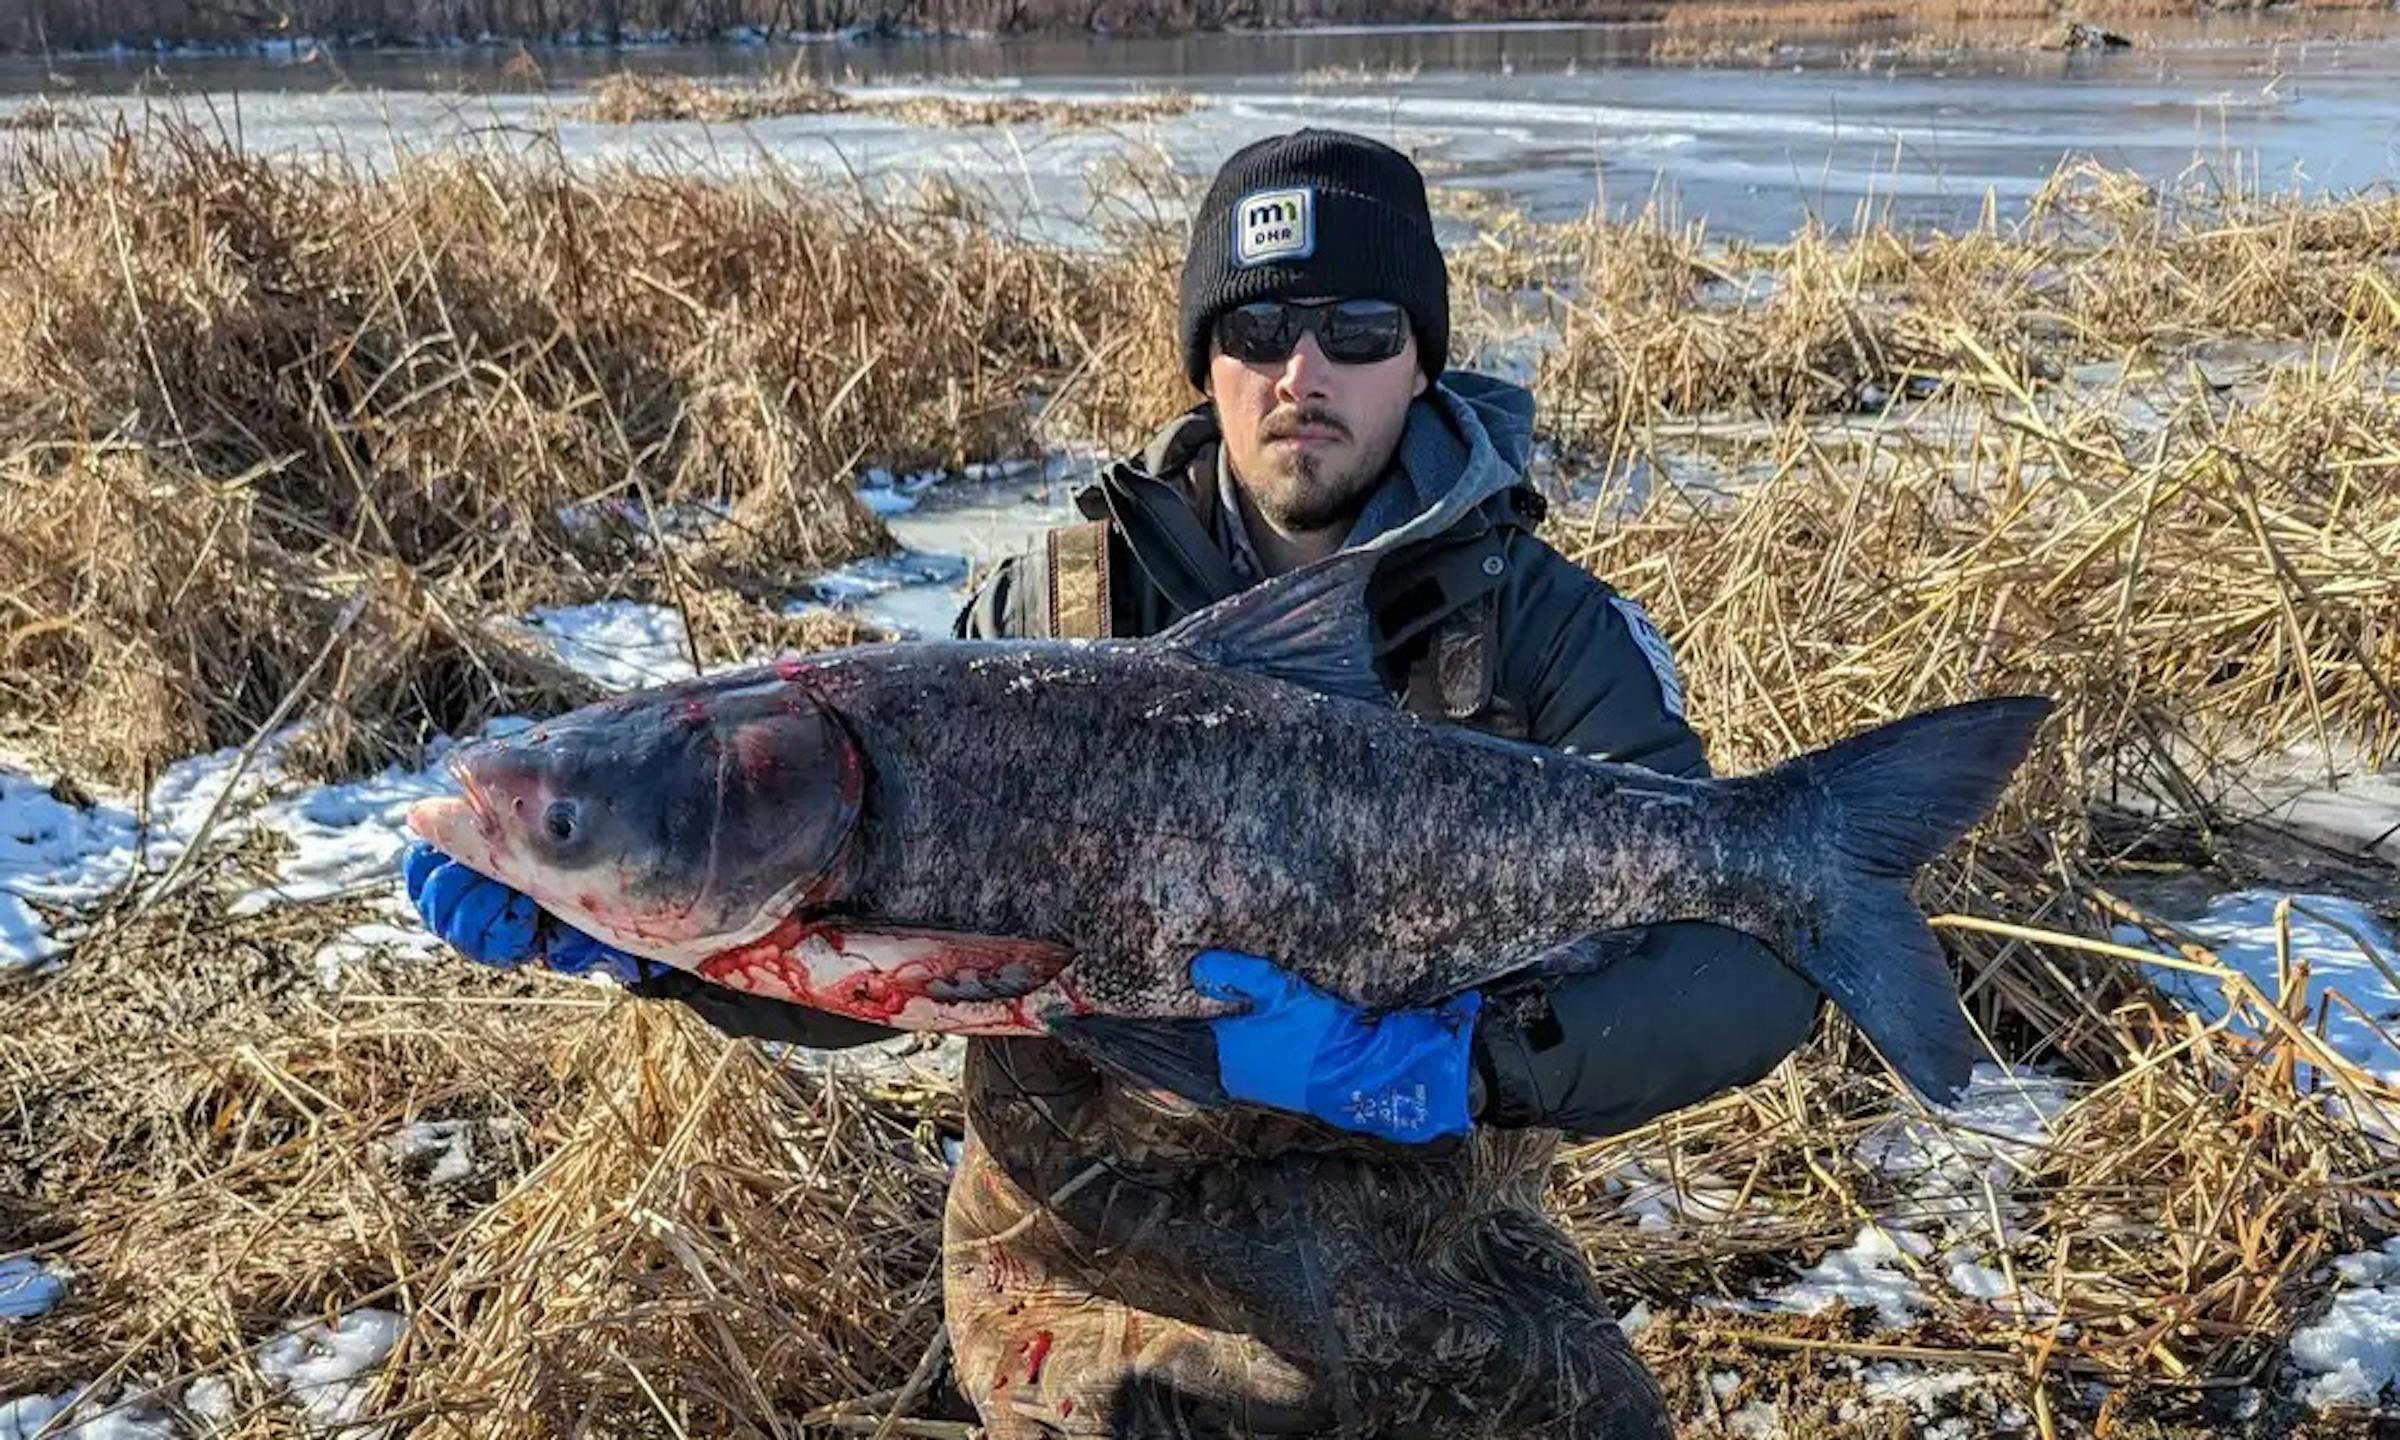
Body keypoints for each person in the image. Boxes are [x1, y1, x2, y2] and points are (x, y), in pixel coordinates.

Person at [403, 129, 1822, 1438]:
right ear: (1205, 360)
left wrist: (1463, 1066)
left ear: (1422, 361)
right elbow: (880, 980)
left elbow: (1752, 967)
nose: (1300, 373)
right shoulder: (1043, 607)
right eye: (1255, 330)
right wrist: (658, 953)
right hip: (1087, 1280)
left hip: (1436, 1260)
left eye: (1359, 332)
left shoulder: (1545, 627)